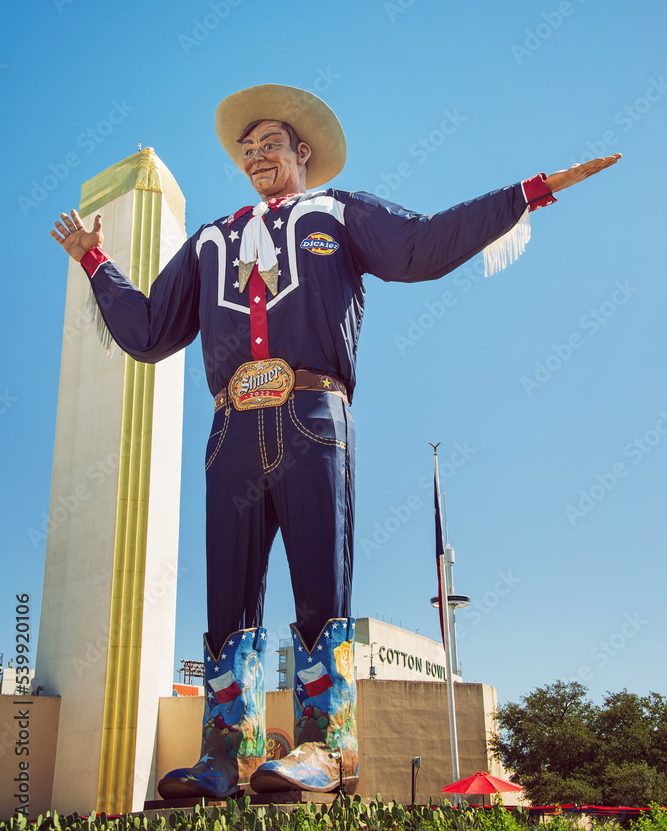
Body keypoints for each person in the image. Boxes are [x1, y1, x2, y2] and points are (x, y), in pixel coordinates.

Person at [50, 84, 620, 800]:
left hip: (311, 414)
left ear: (302, 154)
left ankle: (329, 747)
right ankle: (226, 752)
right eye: (246, 149)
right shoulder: (210, 241)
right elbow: (148, 333)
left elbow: (420, 245)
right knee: (228, 597)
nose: (256, 156)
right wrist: (96, 263)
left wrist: (525, 194)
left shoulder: (337, 213)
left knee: (321, 583)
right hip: (230, 425)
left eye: (270, 145)